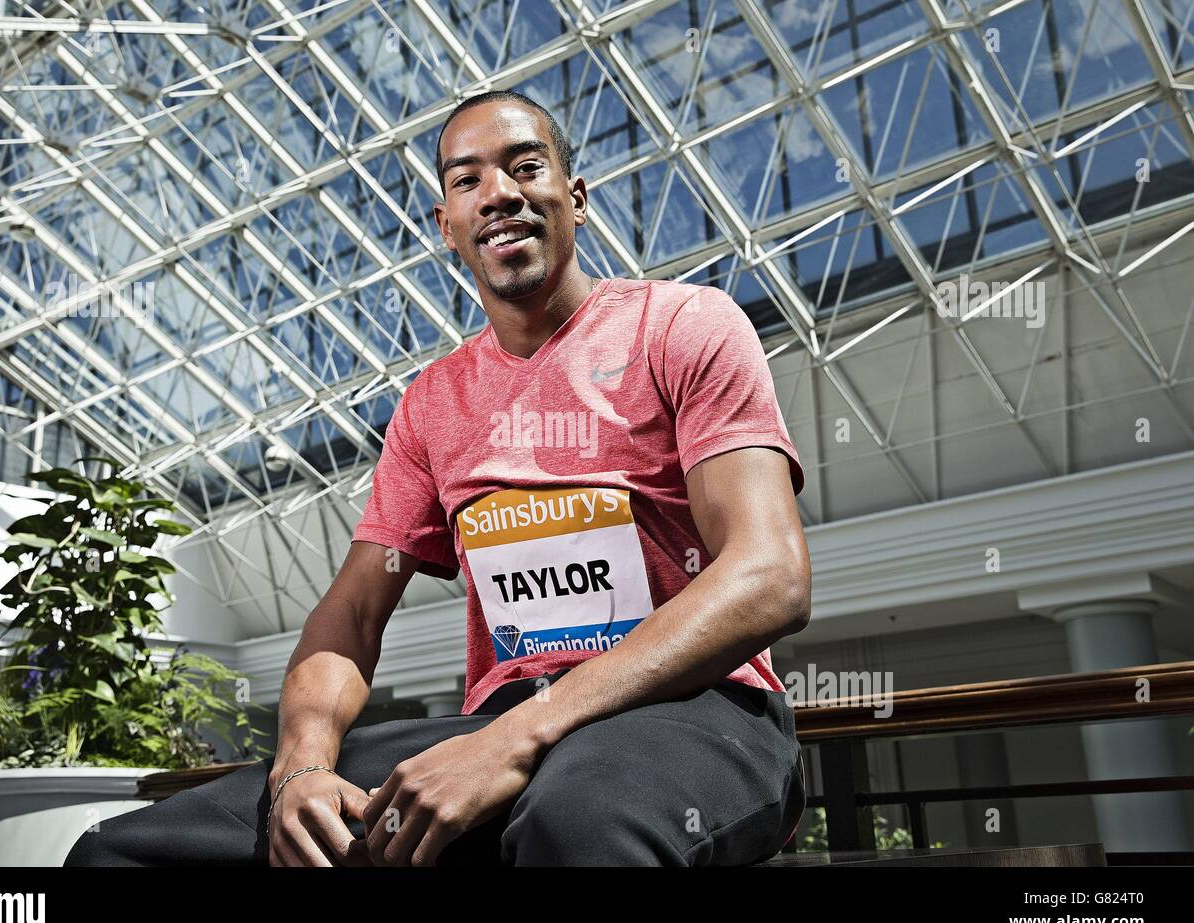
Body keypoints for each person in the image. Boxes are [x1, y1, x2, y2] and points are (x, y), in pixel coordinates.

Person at [65, 89, 810, 867]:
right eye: (467, 180)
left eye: (527, 166)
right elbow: (351, 617)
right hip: (500, 723)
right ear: (447, 226)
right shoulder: (432, 405)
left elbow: (769, 577)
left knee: (578, 826)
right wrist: (304, 768)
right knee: (122, 853)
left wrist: (519, 737)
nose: (500, 193)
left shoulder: (683, 327)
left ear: (576, 198)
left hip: (696, 708)